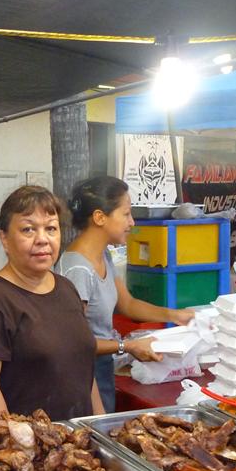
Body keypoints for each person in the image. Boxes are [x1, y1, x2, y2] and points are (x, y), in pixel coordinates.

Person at [0, 185, 102, 422]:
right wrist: (16, 449)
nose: (42, 240)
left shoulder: (67, 288)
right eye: (28, 229)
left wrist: (99, 425)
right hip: (27, 448)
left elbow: (84, 369)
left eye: (51, 229)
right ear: (4, 239)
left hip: (75, 445)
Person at [57, 176, 194, 413]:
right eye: (126, 214)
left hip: (101, 365)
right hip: (83, 375)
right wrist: (127, 346)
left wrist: (175, 315)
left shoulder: (103, 256)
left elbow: (127, 304)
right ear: (100, 217)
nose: (132, 222)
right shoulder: (78, 270)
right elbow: (73, 342)